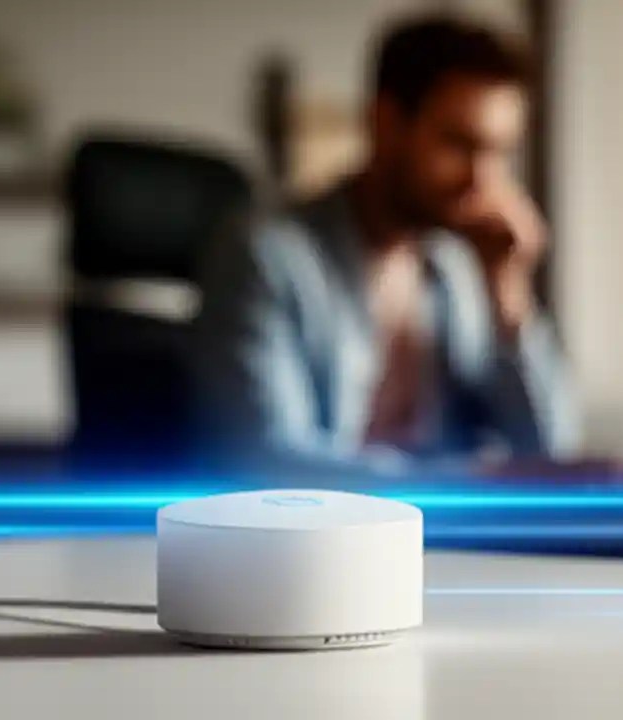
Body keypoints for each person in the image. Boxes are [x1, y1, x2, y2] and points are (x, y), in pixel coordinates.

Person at [196, 15, 578, 477]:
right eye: (459, 144)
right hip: (324, 542)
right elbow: (267, 460)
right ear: (386, 122)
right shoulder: (269, 255)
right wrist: (464, 482)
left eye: (499, 152)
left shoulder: (457, 266)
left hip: (450, 540)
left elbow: (552, 448)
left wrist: (510, 291)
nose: (482, 180)